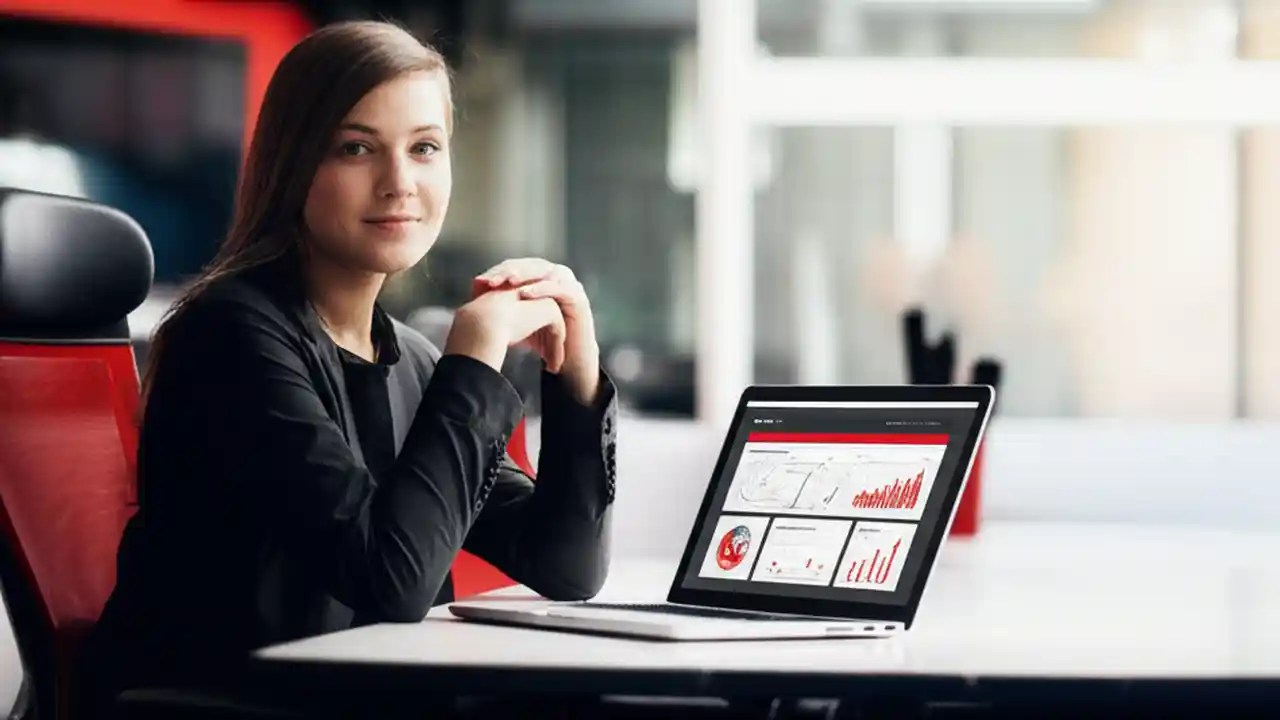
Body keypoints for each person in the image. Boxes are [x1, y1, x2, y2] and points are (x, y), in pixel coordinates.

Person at [81, 20, 616, 714]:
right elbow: (390, 579)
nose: (399, 183)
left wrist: (578, 380)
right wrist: (475, 359)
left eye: (424, 148)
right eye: (356, 148)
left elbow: (565, 565)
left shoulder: (413, 360)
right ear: (294, 163)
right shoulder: (233, 336)